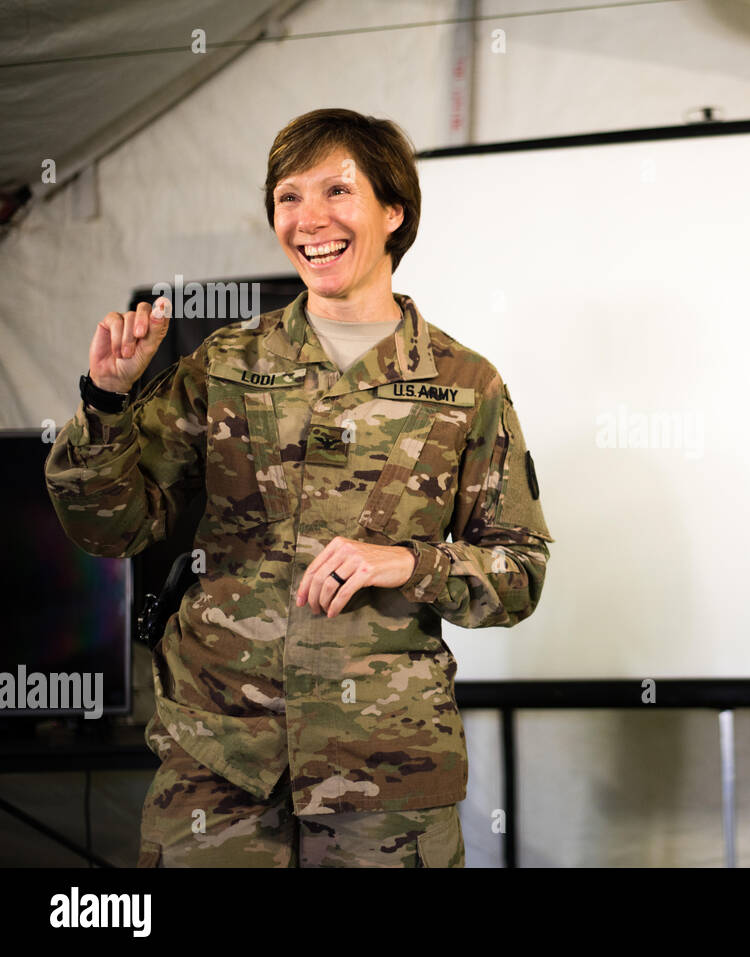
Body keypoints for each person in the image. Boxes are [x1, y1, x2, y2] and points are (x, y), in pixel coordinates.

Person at [45, 108, 552, 867]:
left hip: (385, 778)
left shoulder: (463, 385)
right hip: (219, 766)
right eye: (288, 197)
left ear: (393, 211)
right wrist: (108, 403)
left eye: (337, 191)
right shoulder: (224, 363)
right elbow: (112, 529)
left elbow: (521, 571)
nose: (309, 219)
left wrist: (411, 563)